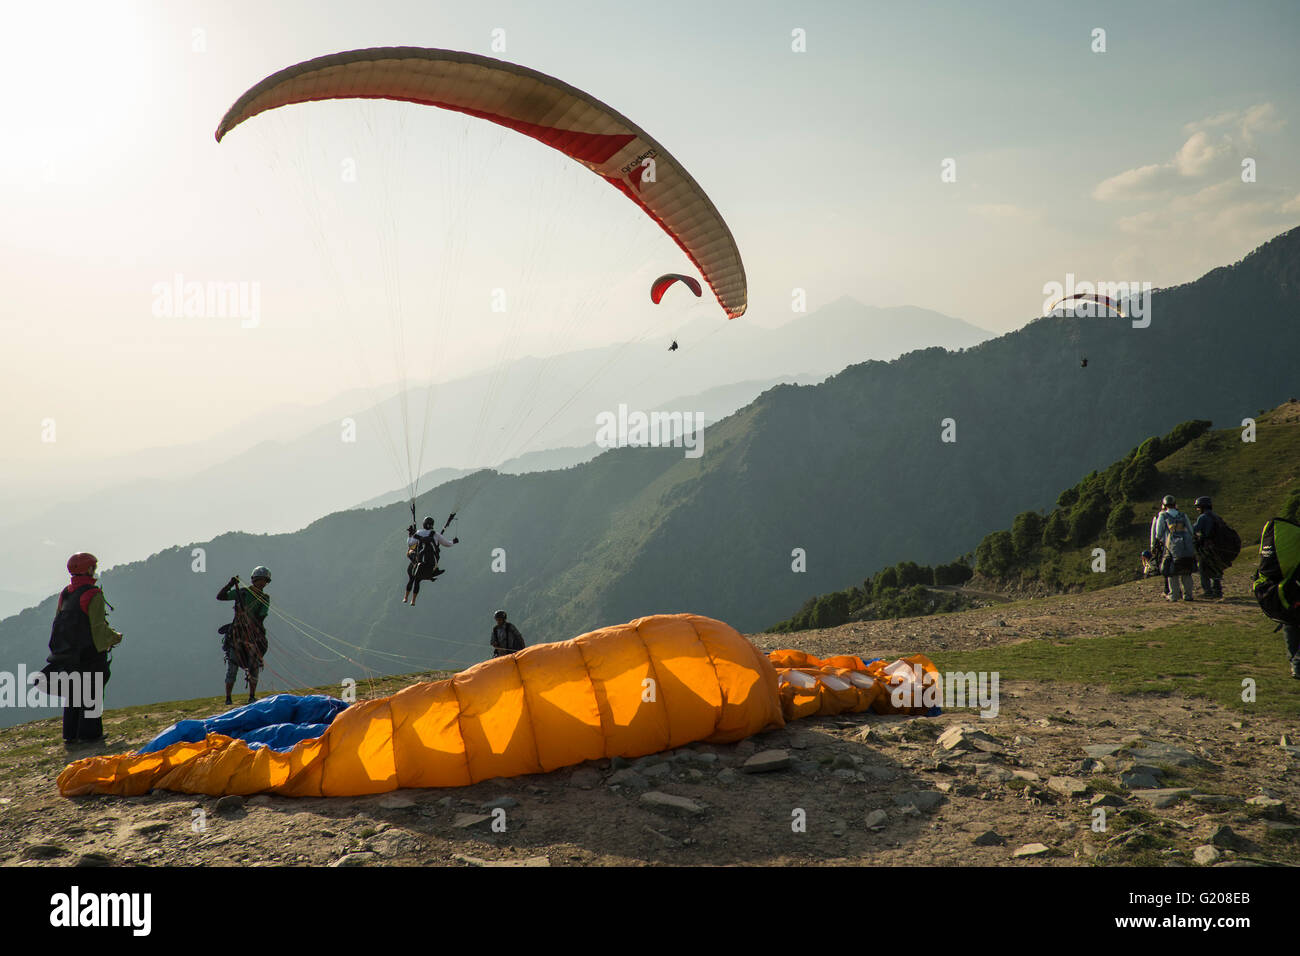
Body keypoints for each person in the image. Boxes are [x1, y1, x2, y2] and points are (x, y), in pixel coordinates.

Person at [35, 553, 121, 747]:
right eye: (94, 567)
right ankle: (90, 735)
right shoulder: (93, 594)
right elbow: (98, 628)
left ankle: (71, 735)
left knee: (74, 692)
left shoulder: (66, 593)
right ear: (89, 569)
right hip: (90, 654)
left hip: (69, 655)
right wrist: (114, 637)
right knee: (93, 690)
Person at [218, 567, 271, 704]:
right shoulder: (242, 592)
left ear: (266, 583)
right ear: (254, 580)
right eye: (259, 580)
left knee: (254, 666)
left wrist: (250, 624)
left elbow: (261, 617)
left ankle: (252, 696)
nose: (261, 583)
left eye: (263, 581)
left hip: (253, 634)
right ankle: (228, 698)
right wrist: (230, 584)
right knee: (232, 667)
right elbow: (221, 596)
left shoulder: (265, 598)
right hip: (236, 633)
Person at [403, 517, 457, 607]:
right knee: (417, 581)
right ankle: (413, 600)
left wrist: (410, 535)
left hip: (419, 560)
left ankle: (405, 597)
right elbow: (447, 544)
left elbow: (410, 544)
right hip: (431, 564)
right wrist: (454, 542)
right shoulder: (436, 534)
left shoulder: (419, 533)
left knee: (411, 578)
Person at [1153, 496, 1197, 602]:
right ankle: (1188, 595)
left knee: (1172, 572)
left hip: (1171, 546)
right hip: (1186, 546)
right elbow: (1191, 531)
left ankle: (1174, 595)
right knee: (1186, 571)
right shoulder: (1183, 515)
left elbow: (1158, 534)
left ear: (1164, 505)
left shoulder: (1163, 516)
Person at [1193, 496, 1225, 598]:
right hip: (1218, 547)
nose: (1197, 509)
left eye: (1198, 507)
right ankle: (1217, 590)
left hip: (1207, 547)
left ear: (1202, 507)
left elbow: (1194, 529)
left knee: (1203, 568)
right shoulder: (1216, 517)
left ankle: (1208, 591)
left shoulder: (1203, 517)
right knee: (1215, 568)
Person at [1149, 499, 1171, 596]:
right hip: (1178, 544)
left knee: (1166, 567)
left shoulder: (1159, 517)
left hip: (1164, 545)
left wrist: (1153, 546)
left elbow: (1155, 533)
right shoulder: (1180, 515)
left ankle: (1167, 589)